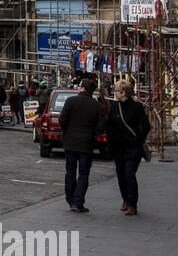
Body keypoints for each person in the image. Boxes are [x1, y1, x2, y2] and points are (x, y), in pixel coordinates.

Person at [59, 78, 106, 212]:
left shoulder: (70, 101)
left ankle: (70, 198)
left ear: (84, 88)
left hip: (70, 142)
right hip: (87, 143)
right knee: (84, 173)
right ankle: (78, 200)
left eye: (79, 86)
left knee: (70, 171)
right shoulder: (98, 106)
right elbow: (101, 126)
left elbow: (62, 120)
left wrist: (68, 131)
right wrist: (93, 133)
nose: (78, 88)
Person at [106, 79, 151, 216]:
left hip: (132, 147)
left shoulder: (136, 107)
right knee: (120, 175)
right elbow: (110, 125)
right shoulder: (114, 106)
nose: (115, 93)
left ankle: (133, 203)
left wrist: (138, 139)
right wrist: (110, 140)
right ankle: (125, 199)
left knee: (129, 174)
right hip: (118, 147)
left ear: (124, 92)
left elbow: (146, 126)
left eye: (117, 91)